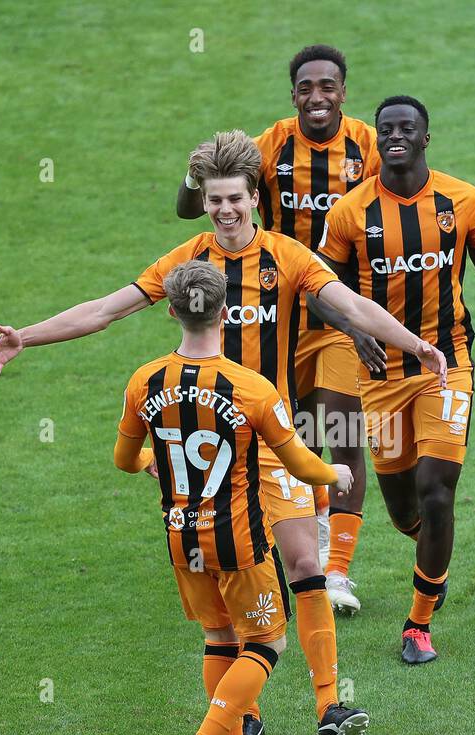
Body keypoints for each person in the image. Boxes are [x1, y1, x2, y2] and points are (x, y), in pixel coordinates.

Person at [0, 130, 446, 735]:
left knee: (305, 565)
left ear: (255, 197)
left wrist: (416, 345)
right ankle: (240, 723)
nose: (224, 210)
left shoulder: (289, 259)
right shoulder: (188, 262)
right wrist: (25, 337)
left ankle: (328, 707)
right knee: (224, 615)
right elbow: (106, 309)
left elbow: (354, 308)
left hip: (273, 446)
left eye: (234, 200)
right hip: (216, 462)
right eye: (214, 200)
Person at [115, 259, 353, 735]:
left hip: (181, 539)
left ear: (172, 311)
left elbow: (125, 459)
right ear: (227, 313)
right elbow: (298, 465)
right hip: (238, 540)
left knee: (219, 639)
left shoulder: (143, 381)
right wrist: (334, 472)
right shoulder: (251, 387)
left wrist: (156, 458)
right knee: (267, 643)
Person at [319, 96, 475, 665]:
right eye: (385, 129)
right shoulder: (349, 213)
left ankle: (418, 623)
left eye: (407, 128)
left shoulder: (462, 200)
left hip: (445, 364)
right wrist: (353, 329)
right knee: (404, 511)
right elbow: (323, 293)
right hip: (380, 375)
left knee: (437, 490)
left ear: (426, 137)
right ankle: (433, 559)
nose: (395, 135)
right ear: (377, 140)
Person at [177, 45, 379, 614]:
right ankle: (297, 554)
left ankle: (336, 570)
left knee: (341, 428)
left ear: (344, 92)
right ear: (293, 94)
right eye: (306, 87)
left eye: (328, 87)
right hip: (280, 314)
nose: (317, 97)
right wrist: (193, 175)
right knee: (298, 438)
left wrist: (372, 318)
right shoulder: (270, 146)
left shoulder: (367, 145)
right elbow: (190, 209)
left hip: (343, 314)